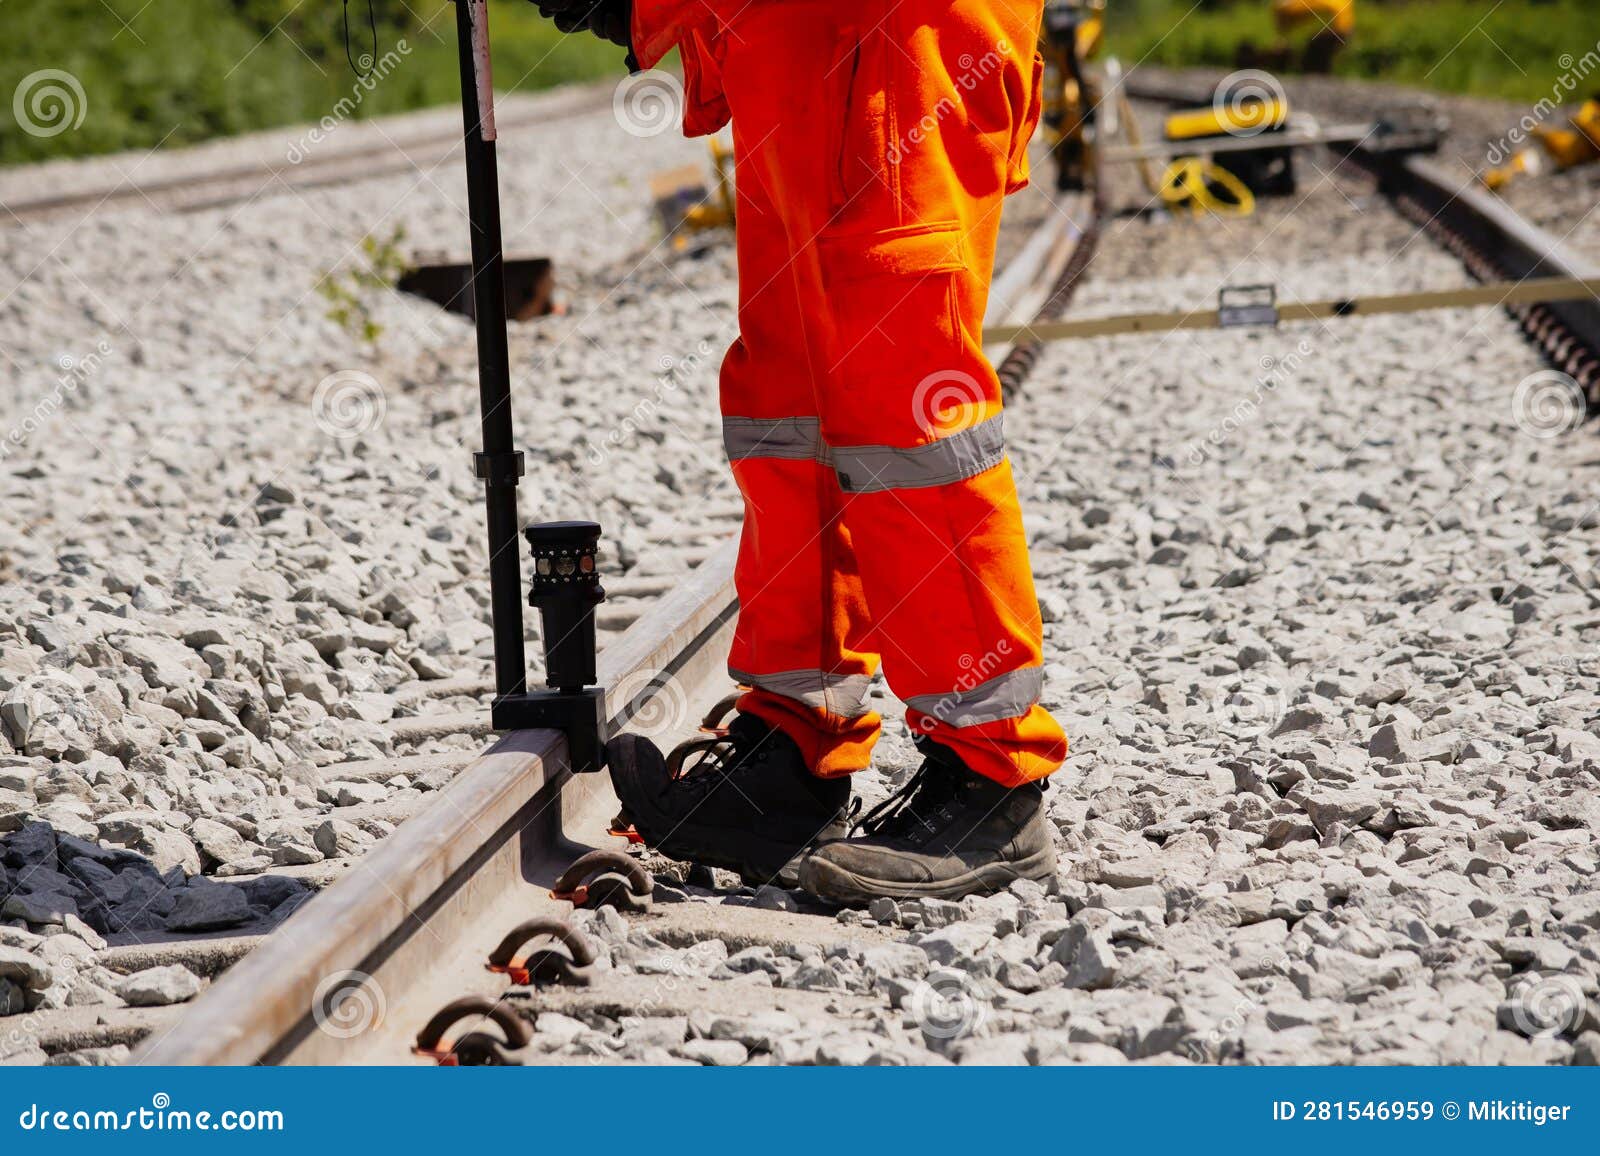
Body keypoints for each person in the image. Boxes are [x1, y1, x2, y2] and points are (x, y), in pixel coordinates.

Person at [531, 0, 1068, 903]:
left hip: (900, 46)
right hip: (794, 42)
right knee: (790, 401)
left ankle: (992, 783)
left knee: (906, 404)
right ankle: (795, 745)